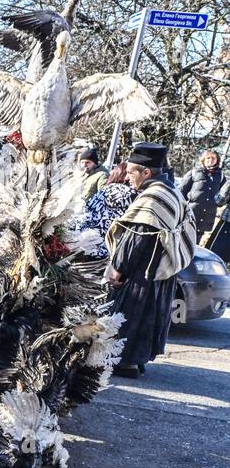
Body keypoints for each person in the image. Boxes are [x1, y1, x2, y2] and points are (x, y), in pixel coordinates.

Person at [106, 142, 197, 378]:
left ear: (146, 173)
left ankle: (125, 363)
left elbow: (137, 240)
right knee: (149, 317)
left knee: (131, 317)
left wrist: (118, 270)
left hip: (142, 275)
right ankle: (137, 360)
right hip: (160, 273)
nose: (126, 177)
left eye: (130, 172)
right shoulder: (172, 191)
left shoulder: (153, 197)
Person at [77, 165, 135, 259]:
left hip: (82, 239)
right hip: (101, 249)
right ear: (125, 176)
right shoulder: (128, 193)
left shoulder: (105, 189)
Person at [177, 149, 226, 244]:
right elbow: (180, 191)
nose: (210, 160)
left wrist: (219, 203)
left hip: (207, 216)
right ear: (203, 159)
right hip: (190, 214)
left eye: (213, 158)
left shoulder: (220, 176)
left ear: (217, 160)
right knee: (182, 240)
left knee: (196, 244)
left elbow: (223, 194)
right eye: (208, 158)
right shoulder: (194, 172)